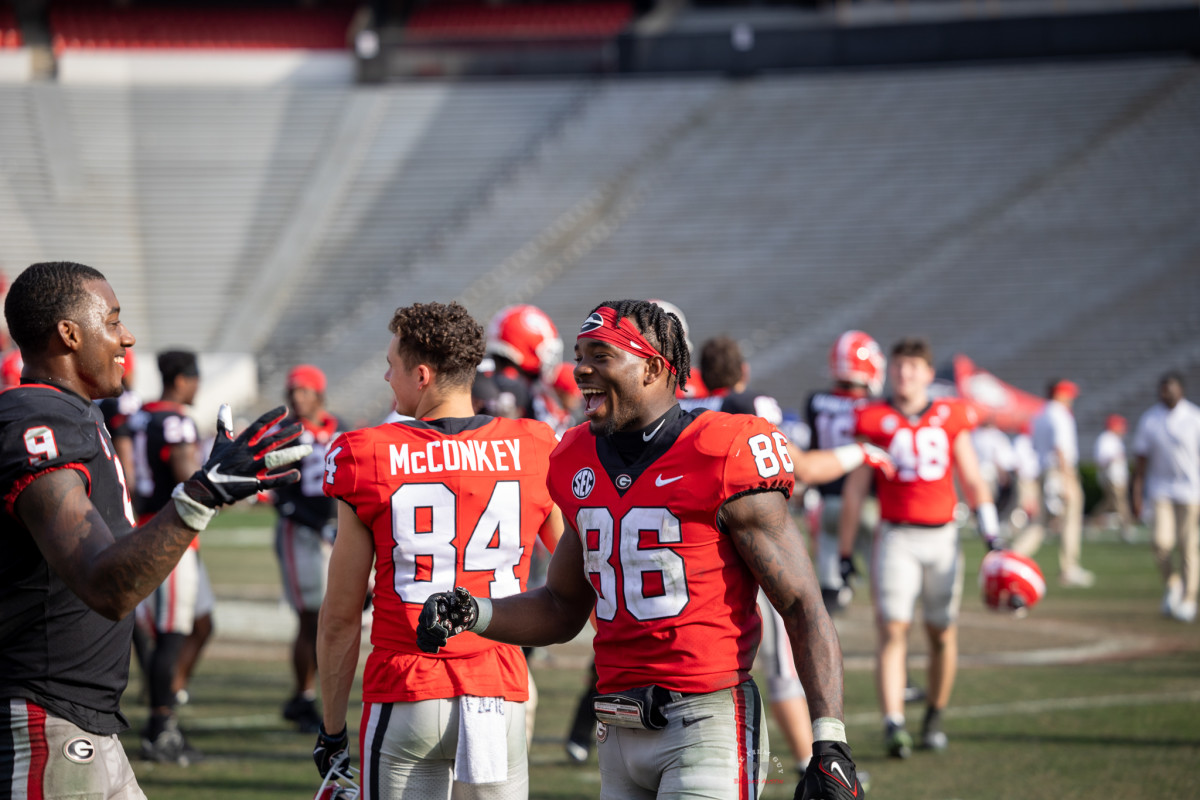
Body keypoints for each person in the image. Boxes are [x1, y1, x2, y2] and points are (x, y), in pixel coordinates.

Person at [417, 299, 866, 800]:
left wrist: (830, 741)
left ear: (652, 368)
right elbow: (563, 606)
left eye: (601, 356)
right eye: (579, 355)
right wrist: (475, 613)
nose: (581, 369)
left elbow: (801, 602)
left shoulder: (724, 451)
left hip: (706, 721)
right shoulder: (575, 456)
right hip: (616, 726)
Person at [0, 261, 308, 799]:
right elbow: (106, 586)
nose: (127, 337)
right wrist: (201, 494)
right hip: (46, 717)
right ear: (69, 334)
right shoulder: (36, 417)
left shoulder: (79, 413)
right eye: (112, 321)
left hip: (84, 718)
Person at [313, 301, 563, 799]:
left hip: (407, 688)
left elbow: (341, 616)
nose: (387, 376)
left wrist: (332, 728)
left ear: (422, 375)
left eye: (392, 365)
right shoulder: (536, 445)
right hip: (498, 688)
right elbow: (587, 574)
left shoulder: (367, 453)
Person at [838, 337, 1000, 759]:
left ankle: (933, 715)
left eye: (912, 367)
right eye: (898, 366)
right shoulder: (875, 418)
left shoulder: (949, 416)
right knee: (893, 629)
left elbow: (972, 478)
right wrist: (844, 552)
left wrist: (993, 536)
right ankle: (894, 723)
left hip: (943, 537)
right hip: (897, 536)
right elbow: (855, 489)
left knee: (941, 632)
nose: (904, 374)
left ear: (928, 374)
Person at [125, 350, 222, 763]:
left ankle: (167, 702)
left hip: (149, 525)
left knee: (199, 623)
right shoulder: (176, 420)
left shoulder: (140, 416)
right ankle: (160, 727)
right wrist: (224, 485)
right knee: (170, 633)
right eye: (195, 379)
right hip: (170, 533)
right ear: (182, 380)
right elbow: (188, 478)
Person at [271, 364, 343, 732]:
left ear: (318, 393)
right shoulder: (286, 434)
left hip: (335, 532)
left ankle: (312, 694)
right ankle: (303, 696)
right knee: (311, 617)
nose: (297, 397)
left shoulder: (341, 428)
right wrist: (319, 525)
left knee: (334, 616)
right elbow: (280, 495)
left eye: (304, 390)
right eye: (292, 391)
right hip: (300, 532)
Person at [806, 330, 886, 615]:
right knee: (883, 582)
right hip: (867, 503)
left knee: (830, 586)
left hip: (828, 500)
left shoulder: (816, 401)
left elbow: (814, 449)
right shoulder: (875, 407)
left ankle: (835, 605)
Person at [1131, 371, 1200, 623]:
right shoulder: (1151, 419)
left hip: (1190, 490)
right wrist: (1137, 492)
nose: (1165, 394)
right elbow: (1141, 461)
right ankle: (1173, 583)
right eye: (1162, 389)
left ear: (1180, 390)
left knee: (1188, 544)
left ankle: (1189, 598)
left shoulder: (1194, 418)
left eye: (1170, 389)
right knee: (1160, 542)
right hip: (1161, 490)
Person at [1015, 380, 1095, 588]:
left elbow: (1035, 446)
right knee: (1070, 520)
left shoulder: (1040, 414)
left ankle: (1014, 556)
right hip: (1059, 471)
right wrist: (1067, 479)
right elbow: (1060, 448)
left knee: (1041, 522)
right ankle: (1069, 568)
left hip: (1045, 471)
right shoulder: (1060, 415)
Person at [1092, 414, 1136, 542]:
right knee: (1120, 503)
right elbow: (1102, 459)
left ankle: (1093, 523)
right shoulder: (1105, 439)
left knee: (1109, 503)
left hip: (1119, 479)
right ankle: (1126, 529)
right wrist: (1112, 459)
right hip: (1111, 478)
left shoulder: (1115, 440)